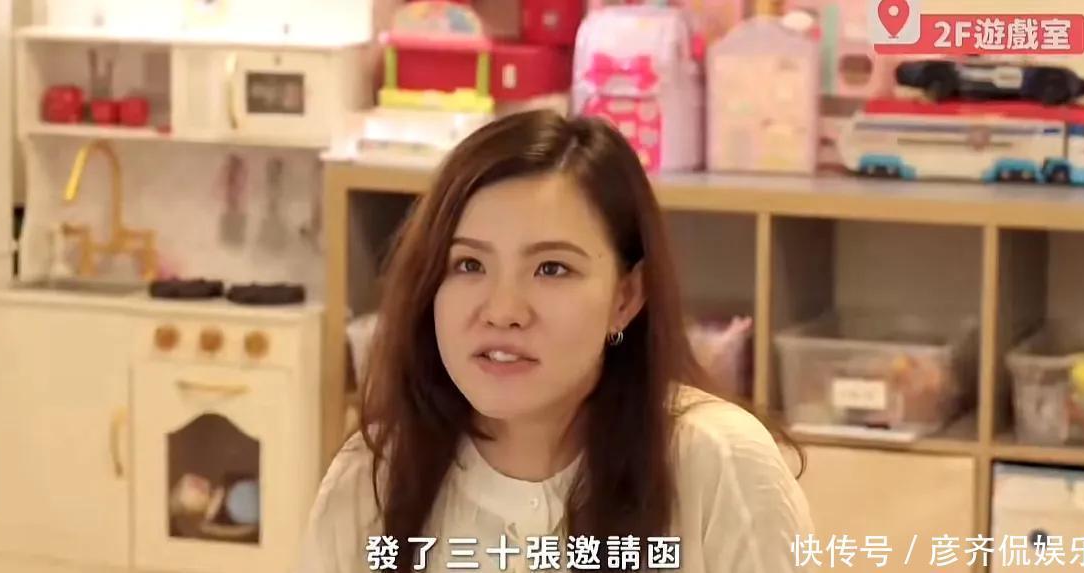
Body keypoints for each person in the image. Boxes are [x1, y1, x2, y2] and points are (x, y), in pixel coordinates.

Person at [295, 110, 815, 573]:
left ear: (625, 297)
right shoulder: (371, 478)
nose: (503, 311)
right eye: (469, 264)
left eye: (551, 268)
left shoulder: (718, 464)